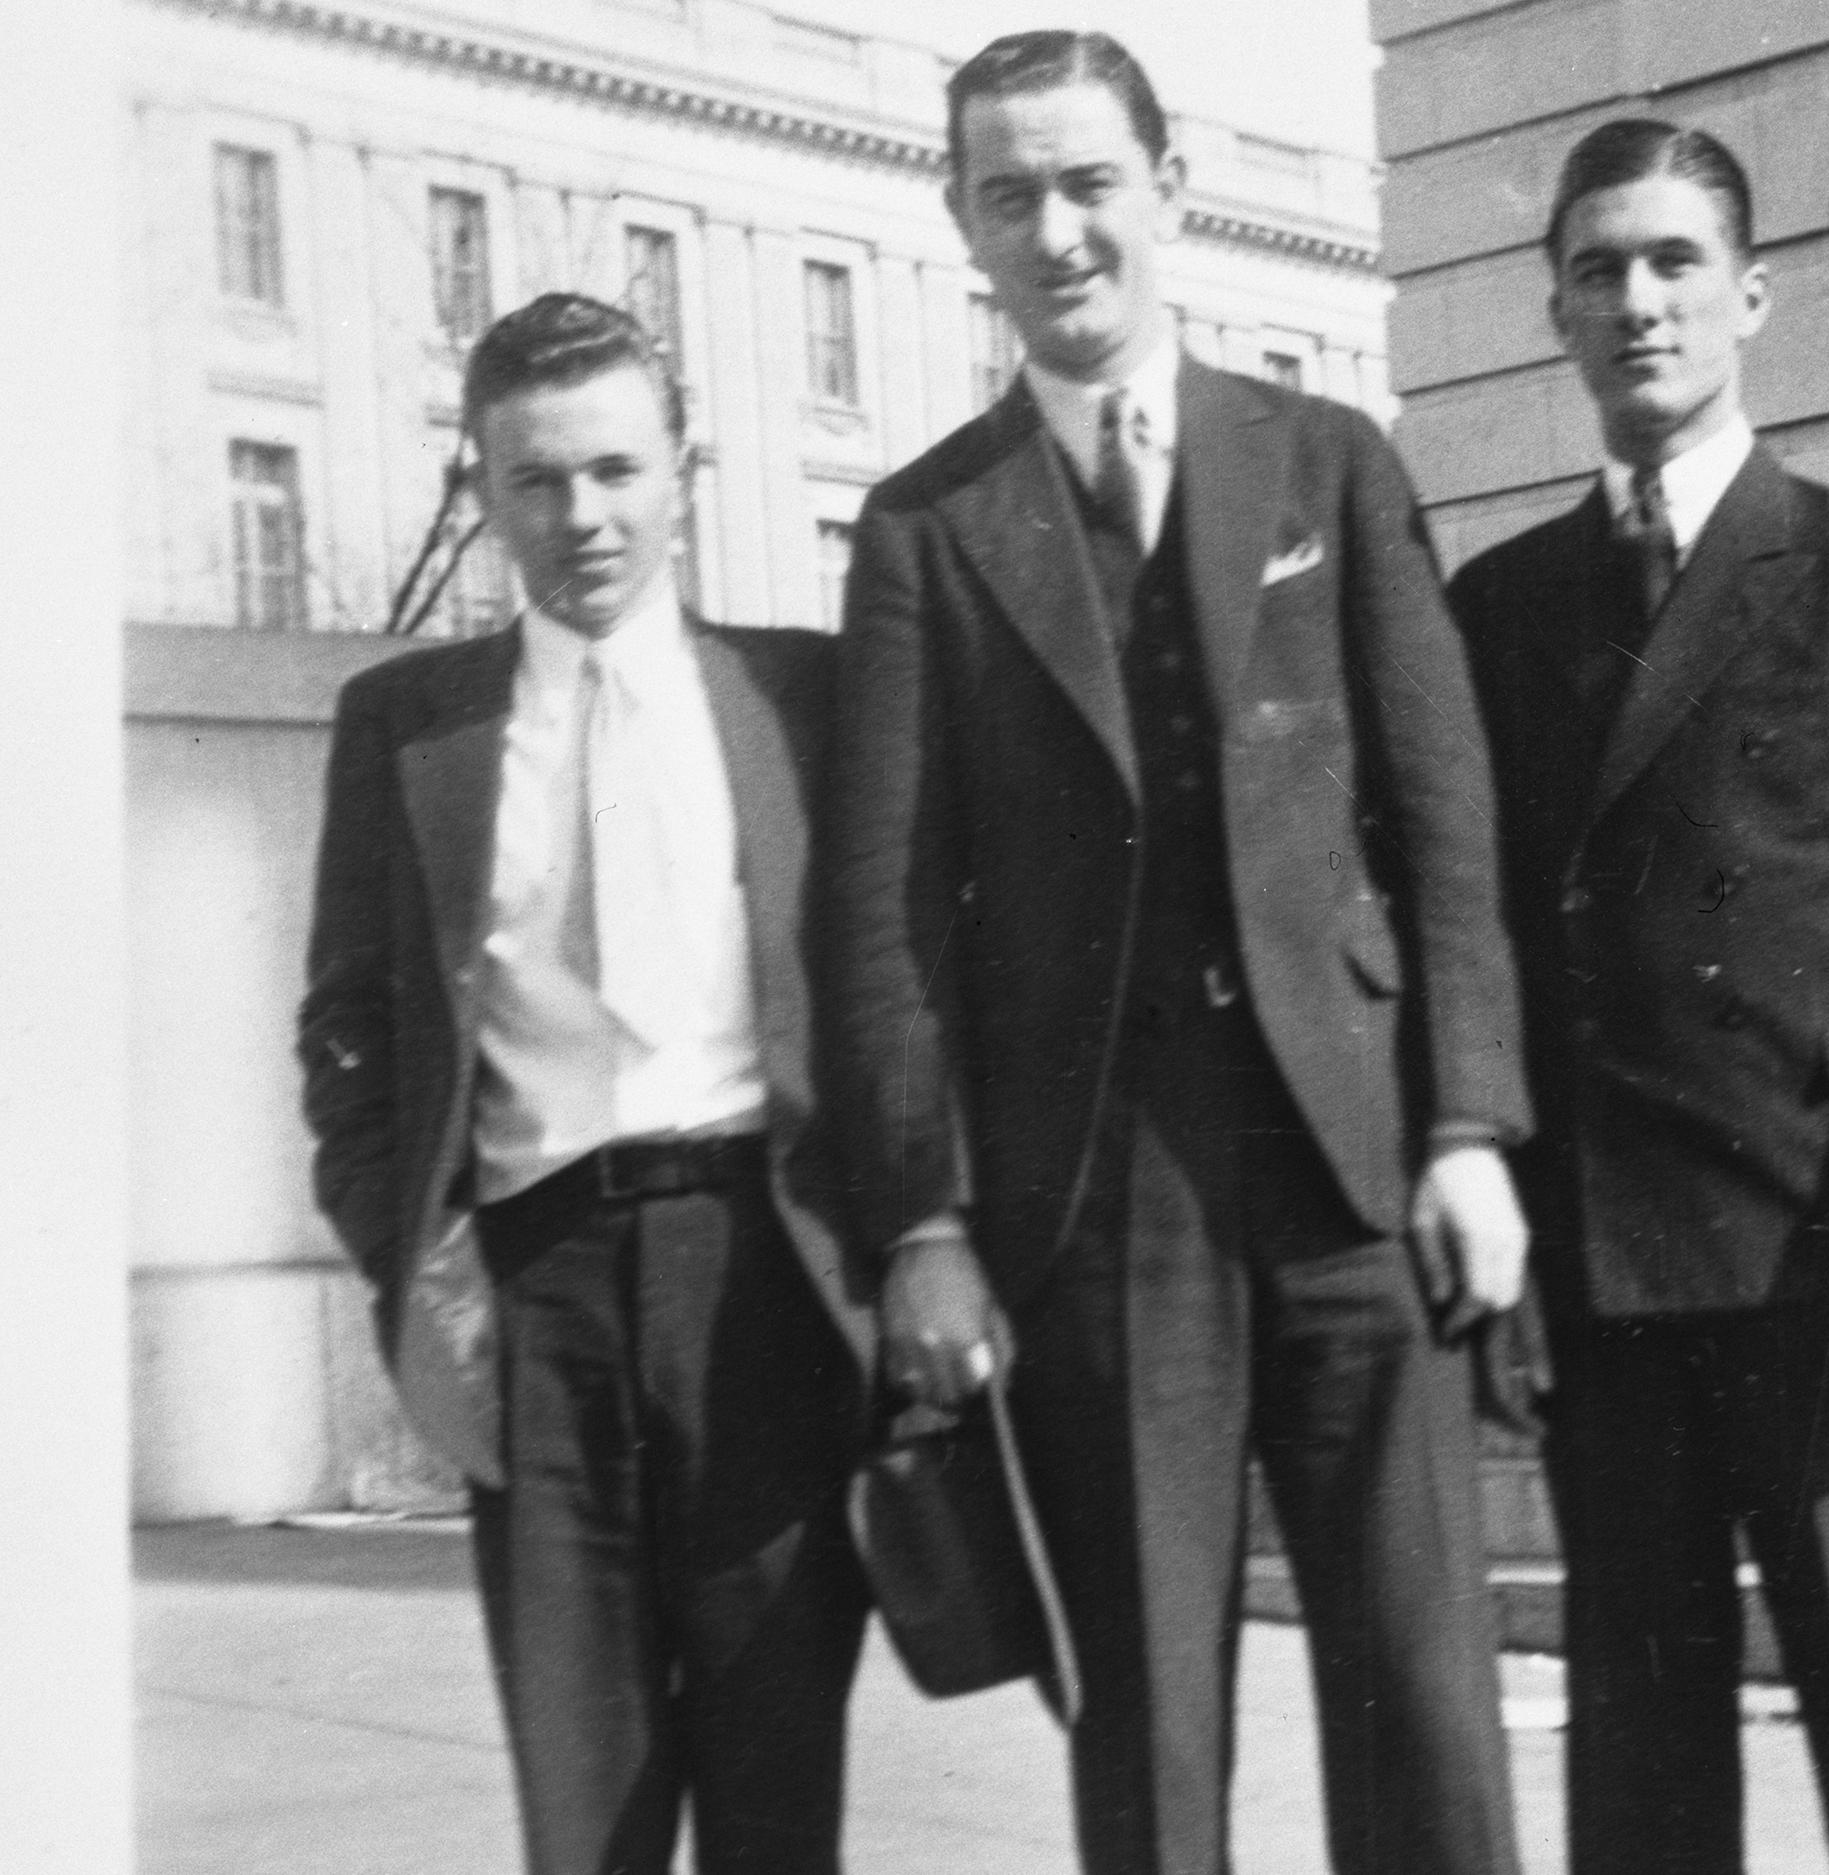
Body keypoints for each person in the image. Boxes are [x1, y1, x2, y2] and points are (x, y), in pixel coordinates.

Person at [818, 31, 1531, 1875]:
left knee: (1428, 1711)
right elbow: (884, 912)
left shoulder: (1327, 462)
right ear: (960, 223)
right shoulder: (922, 531)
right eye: (1008, 197)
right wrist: (926, 1226)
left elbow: (1444, 823)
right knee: (1144, 1735)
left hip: (1356, 1169)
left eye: (1089, 185)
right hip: (1102, 1202)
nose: (1056, 232)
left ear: (1168, 189)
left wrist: (1469, 1132)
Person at [1446, 119, 1829, 1875]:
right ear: (1554, 310)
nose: (1640, 303)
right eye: (1600, 269)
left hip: (1819, 1255)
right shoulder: (1502, 605)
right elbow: (1498, 947)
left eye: (1676, 263)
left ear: (1751, 296)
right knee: (1644, 1792)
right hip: (1606, 1278)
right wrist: (1518, 1251)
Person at [297, 294, 873, 1875]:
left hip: (763, 1281)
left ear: (682, 466)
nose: (583, 516)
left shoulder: (804, 700)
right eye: (536, 480)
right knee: (586, 1813)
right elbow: (346, 1038)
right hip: (533, 1295)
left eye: (615, 468)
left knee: (776, 1801)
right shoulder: (410, 729)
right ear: (483, 490)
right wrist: (412, 1268)